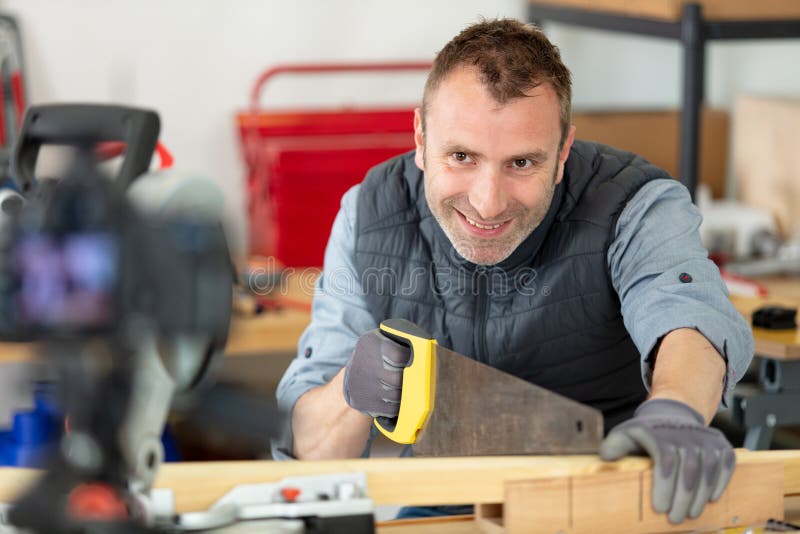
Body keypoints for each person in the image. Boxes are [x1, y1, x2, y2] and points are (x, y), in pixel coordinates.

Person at [274, 18, 753, 525]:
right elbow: (311, 456)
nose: (487, 202)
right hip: (447, 507)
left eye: (522, 163)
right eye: (461, 156)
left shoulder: (634, 203)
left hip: (608, 499)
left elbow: (687, 317)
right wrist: (352, 387)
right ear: (419, 135)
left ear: (564, 151)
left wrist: (676, 409)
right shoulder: (368, 214)